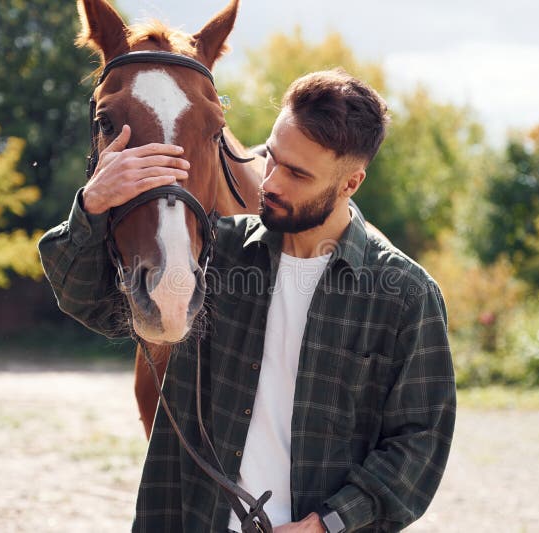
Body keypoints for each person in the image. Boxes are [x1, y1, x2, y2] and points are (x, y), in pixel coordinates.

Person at [39, 68, 456, 532]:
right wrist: (92, 205)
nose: (271, 183)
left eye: (297, 173)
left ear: (350, 183)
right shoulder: (212, 257)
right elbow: (86, 299)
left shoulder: (404, 294)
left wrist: (329, 524)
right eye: (272, 158)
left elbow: (419, 442)